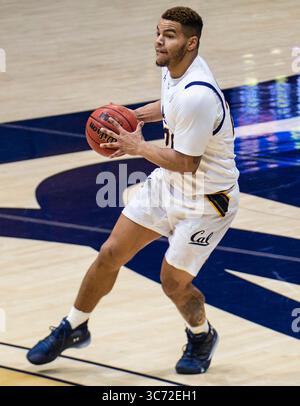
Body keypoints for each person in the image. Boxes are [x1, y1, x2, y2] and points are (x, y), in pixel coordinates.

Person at [27, 6, 239, 375]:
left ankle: (202, 335)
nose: (159, 39)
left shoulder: (198, 94)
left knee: (173, 283)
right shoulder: (174, 71)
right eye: (158, 31)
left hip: (207, 199)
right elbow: (169, 107)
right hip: (169, 185)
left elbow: (186, 161)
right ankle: (75, 325)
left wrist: (135, 145)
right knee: (110, 252)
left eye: (169, 34)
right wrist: (133, 117)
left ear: (191, 43)